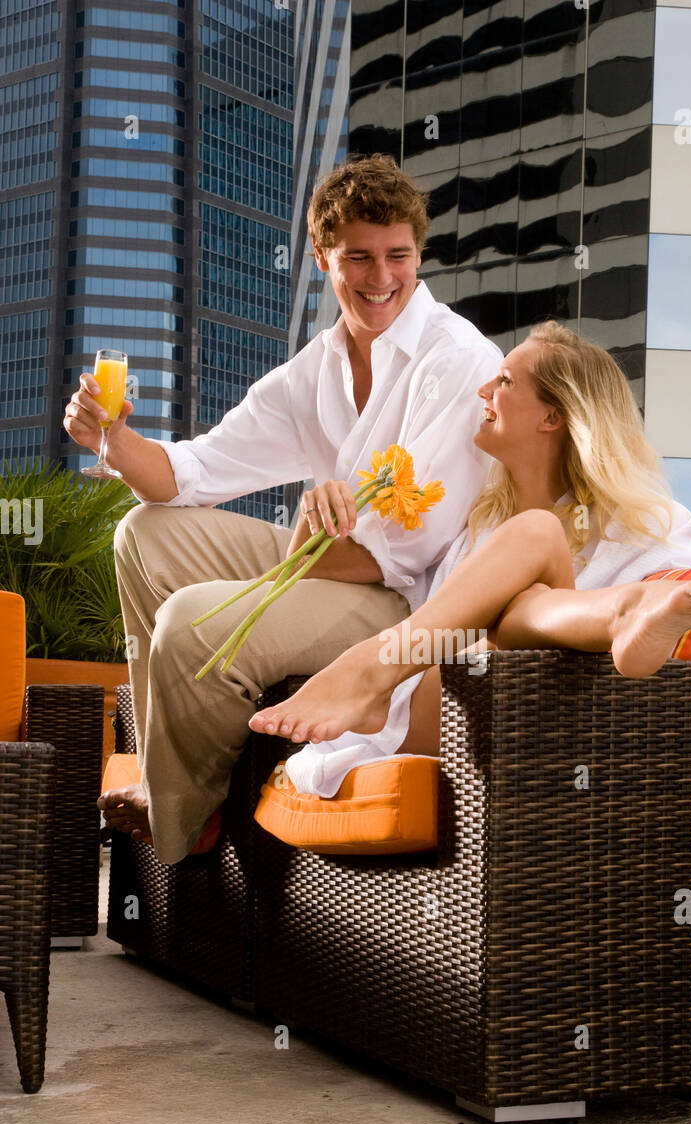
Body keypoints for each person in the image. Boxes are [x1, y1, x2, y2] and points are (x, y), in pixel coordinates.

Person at [62, 155, 503, 864]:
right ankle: (163, 769)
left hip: (414, 603)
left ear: (419, 254)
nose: (381, 277)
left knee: (188, 627)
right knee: (144, 535)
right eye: (358, 257)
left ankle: (177, 827)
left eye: (399, 256)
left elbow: (407, 553)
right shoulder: (316, 369)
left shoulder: (455, 361)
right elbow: (195, 471)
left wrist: (300, 545)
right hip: (336, 562)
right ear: (324, 257)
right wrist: (114, 438)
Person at [247, 322, 691, 796]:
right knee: (534, 555)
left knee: (532, 581)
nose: (483, 390)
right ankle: (625, 611)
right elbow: (305, 568)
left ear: (552, 415)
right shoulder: (473, 522)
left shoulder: (638, 519)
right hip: (440, 702)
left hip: (527, 718)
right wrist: (313, 515)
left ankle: (371, 670)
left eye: (504, 381)